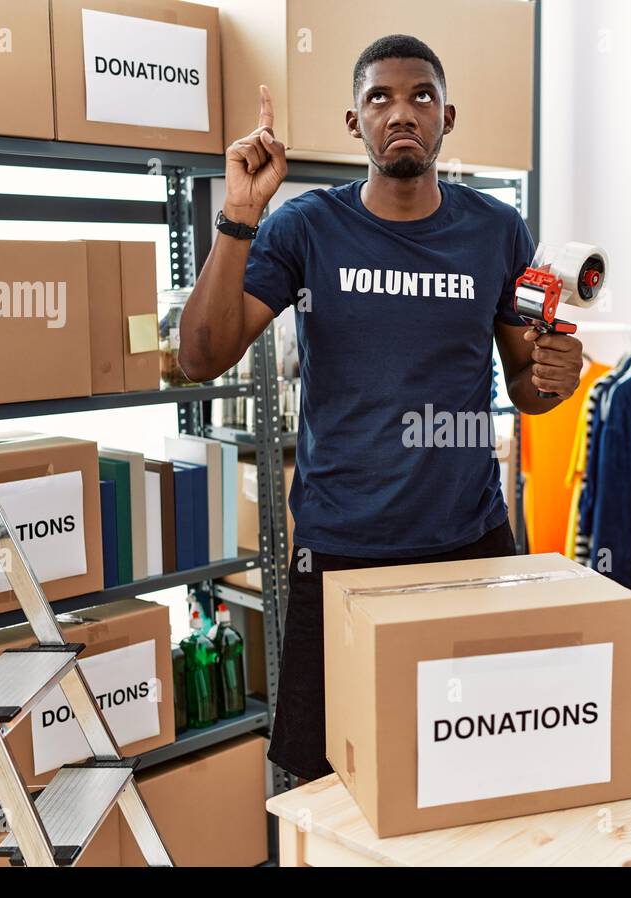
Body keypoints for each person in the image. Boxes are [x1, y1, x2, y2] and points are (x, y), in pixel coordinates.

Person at [178, 34, 584, 782]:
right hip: (341, 554)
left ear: (447, 117)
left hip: (469, 547)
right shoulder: (304, 229)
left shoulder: (497, 231)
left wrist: (557, 376)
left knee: (476, 761)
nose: (402, 112)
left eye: (421, 96)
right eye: (381, 98)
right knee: (332, 777)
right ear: (352, 122)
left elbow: (526, 387)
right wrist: (239, 215)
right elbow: (201, 357)